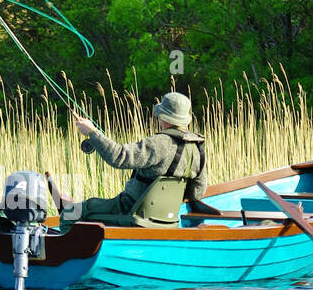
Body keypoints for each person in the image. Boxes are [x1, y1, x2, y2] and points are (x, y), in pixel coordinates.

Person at [49, 91, 208, 223]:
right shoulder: (198, 148)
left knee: (70, 213)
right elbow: (197, 193)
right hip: (168, 220)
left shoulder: (159, 143)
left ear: (163, 118)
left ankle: (72, 258)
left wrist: (92, 132)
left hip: (129, 210)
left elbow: (119, 157)